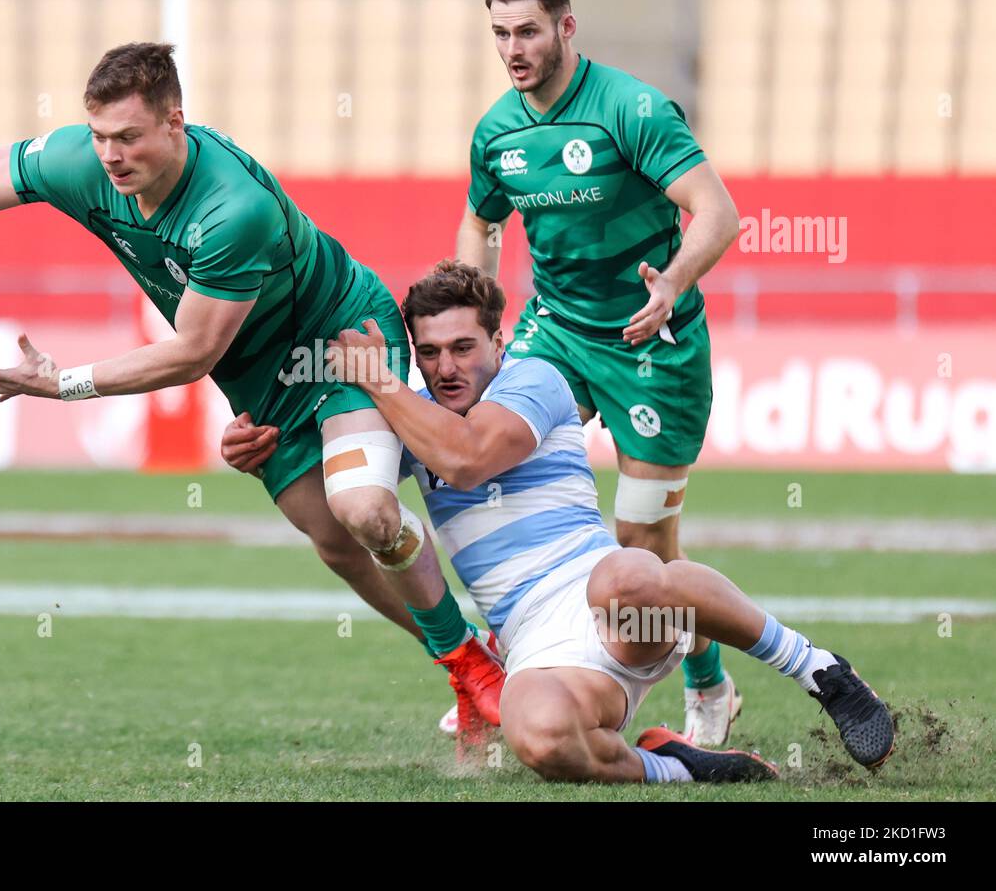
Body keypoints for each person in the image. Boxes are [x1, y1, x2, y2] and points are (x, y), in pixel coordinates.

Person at [0, 42, 504, 723]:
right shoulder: (80, 161)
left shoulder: (231, 210)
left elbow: (192, 352)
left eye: (130, 136)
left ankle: (473, 587)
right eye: (101, 136)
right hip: (255, 371)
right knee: (337, 542)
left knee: (362, 509)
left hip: (336, 334)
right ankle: (470, 662)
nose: (111, 155)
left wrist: (61, 383)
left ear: (175, 123)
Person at [227, 261, 895, 782]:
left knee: (631, 575)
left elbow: (466, 459)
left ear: (499, 336)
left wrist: (380, 384)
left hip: (611, 608)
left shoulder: (534, 379)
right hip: (539, 650)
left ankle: (820, 672)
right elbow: (343, 522)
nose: (447, 367)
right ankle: (678, 767)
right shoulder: (411, 411)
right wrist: (268, 461)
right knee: (537, 736)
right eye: (429, 352)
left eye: (464, 346)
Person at [456, 0, 745, 744]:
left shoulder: (631, 110)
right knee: (486, 464)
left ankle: (709, 683)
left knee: (642, 546)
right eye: (500, 34)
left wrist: (671, 285)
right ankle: (499, 666)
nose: (513, 49)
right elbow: (482, 224)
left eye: (527, 31)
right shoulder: (497, 132)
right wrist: (481, 316)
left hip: (653, 342)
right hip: (557, 330)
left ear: (565, 27)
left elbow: (718, 214)